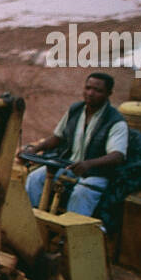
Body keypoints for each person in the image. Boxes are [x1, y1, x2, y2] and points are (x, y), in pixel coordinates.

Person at [23, 72, 128, 216]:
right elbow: (58, 137)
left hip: (96, 174)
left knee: (81, 193)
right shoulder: (75, 110)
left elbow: (117, 156)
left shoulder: (116, 122)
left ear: (109, 93)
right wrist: (35, 149)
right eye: (88, 88)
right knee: (35, 178)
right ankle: (32, 221)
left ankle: (70, 234)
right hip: (68, 165)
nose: (90, 93)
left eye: (97, 90)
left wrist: (88, 164)